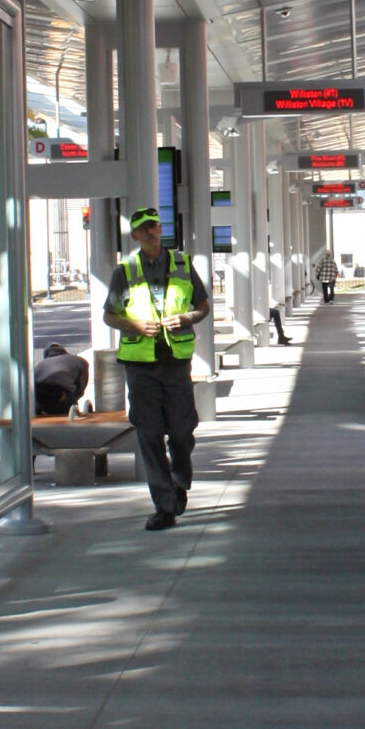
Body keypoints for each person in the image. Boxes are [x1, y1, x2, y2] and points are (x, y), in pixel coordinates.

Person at [104, 206, 210, 531]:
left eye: (155, 226)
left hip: (176, 363)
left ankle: (179, 482)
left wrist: (187, 318)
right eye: (144, 228)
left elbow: (203, 305)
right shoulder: (125, 271)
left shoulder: (182, 263)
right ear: (135, 235)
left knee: (180, 432)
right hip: (141, 367)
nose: (151, 232)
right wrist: (133, 324)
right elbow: (109, 315)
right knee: (149, 434)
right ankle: (164, 506)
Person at [33, 340, 89, 417]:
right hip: (63, 397)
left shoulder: (39, 366)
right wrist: (74, 397)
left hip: (42, 401)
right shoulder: (79, 361)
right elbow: (81, 386)